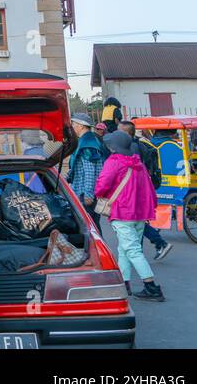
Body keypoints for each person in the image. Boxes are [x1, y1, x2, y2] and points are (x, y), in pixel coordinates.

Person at [95, 130, 163, 301]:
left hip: (122, 211)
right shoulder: (137, 163)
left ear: (113, 147)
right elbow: (149, 189)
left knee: (131, 250)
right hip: (139, 212)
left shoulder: (114, 162)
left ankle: (151, 287)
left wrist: (98, 193)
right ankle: (124, 283)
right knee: (125, 249)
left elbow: (102, 185)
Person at [117, 119, 172, 260]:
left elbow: (133, 171)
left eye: (119, 130)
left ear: (126, 132)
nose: (116, 133)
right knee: (137, 220)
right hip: (140, 188)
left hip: (137, 189)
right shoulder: (135, 144)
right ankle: (152, 246)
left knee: (135, 220)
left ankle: (150, 248)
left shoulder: (132, 148)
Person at [68, 113, 108, 232]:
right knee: (92, 225)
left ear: (81, 126)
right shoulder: (89, 140)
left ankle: (100, 249)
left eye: (74, 124)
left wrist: (88, 194)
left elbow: (90, 171)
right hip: (86, 190)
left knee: (91, 227)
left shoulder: (87, 144)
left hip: (86, 192)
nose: (72, 127)